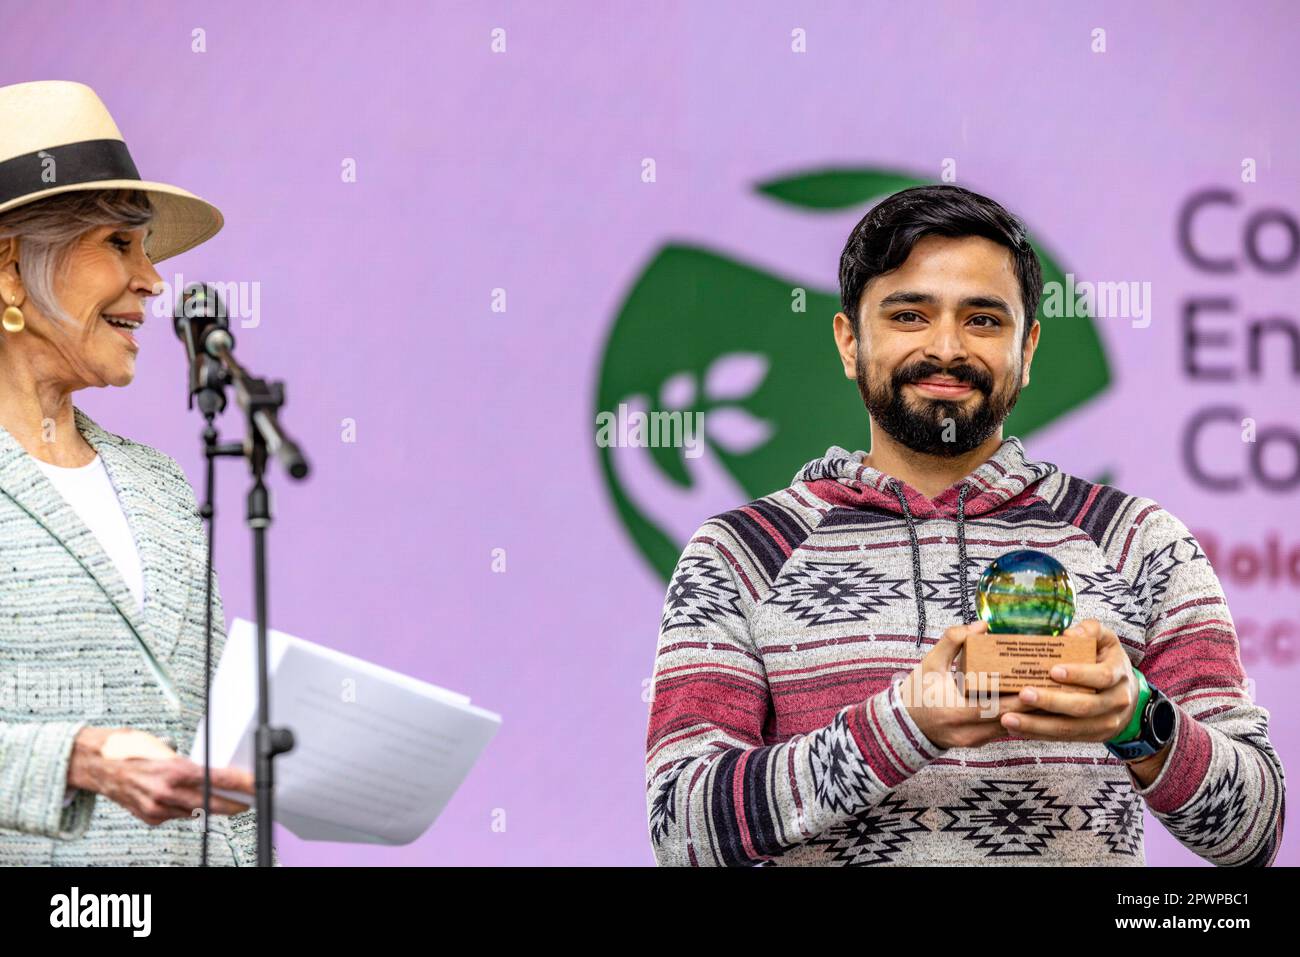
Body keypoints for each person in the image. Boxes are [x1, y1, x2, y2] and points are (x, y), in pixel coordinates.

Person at [644, 183, 1285, 866]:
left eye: (983, 320)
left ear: (1028, 347)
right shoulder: (741, 552)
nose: (947, 347)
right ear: (848, 342)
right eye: (910, 315)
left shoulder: (1140, 541)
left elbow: (1254, 833)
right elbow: (681, 831)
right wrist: (898, 728)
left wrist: (1138, 719)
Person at [0, 80, 273, 865]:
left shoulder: (160, 486)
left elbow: (219, 752)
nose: (154, 280)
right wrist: (78, 759)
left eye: (147, 248)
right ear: (11, 271)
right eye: (120, 243)